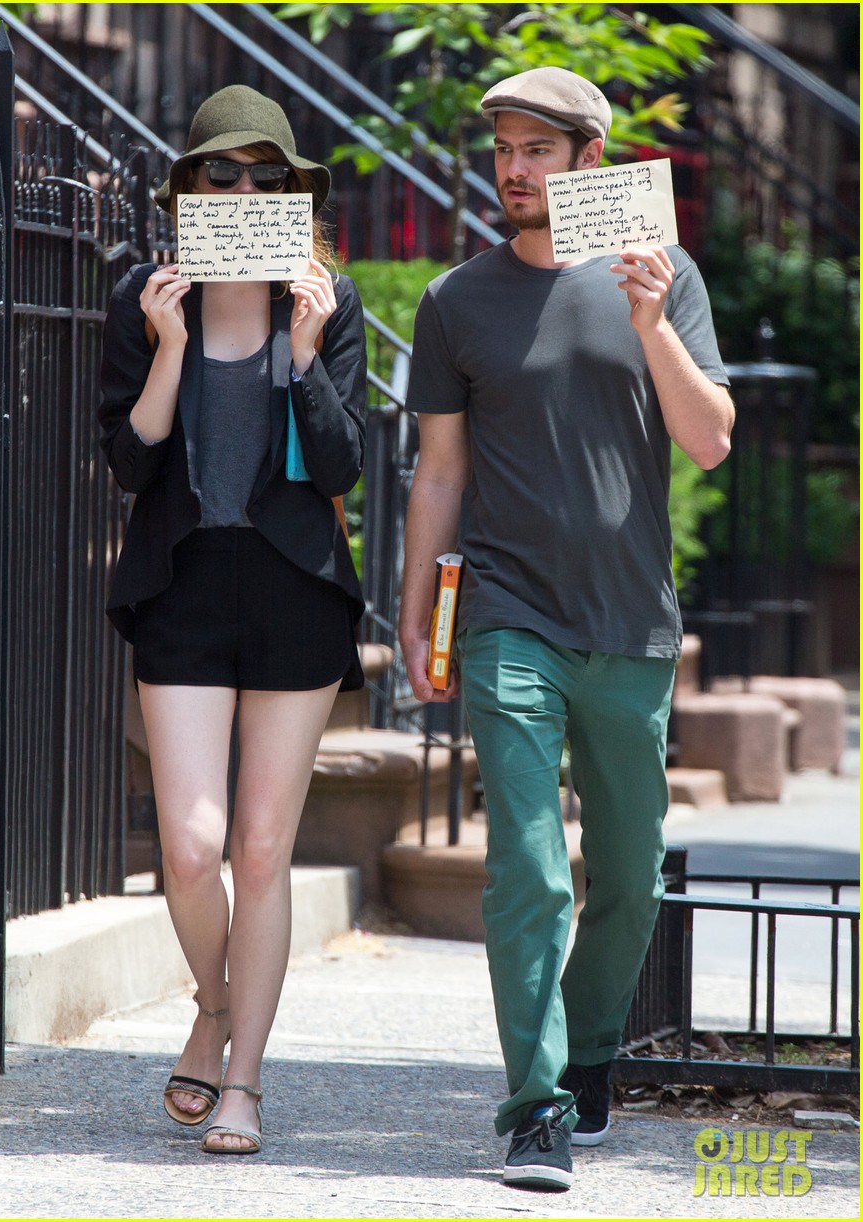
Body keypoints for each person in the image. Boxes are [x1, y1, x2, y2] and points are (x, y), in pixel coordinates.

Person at [399, 66, 733, 1192]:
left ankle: (592, 1051)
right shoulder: (457, 302)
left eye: (538, 147)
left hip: (632, 621)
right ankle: (535, 1103)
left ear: (592, 161)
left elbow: (712, 440)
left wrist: (650, 324)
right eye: (503, 146)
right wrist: (413, 609)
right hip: (508, 614)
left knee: (631, 871)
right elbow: (438, 472)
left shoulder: (663, 274)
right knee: (531, 868)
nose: (515, 166)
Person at [98, 85, 367, 1156]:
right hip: (184, 585)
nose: (243, 188)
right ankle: (213, 1006)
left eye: (266, 175)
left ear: (295, 192)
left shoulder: (328, 298)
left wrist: (305, 350)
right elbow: (127, 460)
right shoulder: (147, 297)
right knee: (192, 846)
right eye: (221, 171)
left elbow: (345, 464)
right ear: (187, 188)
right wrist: (166, 343)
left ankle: (243, 1074)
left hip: (295, 587)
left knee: (261, 850)